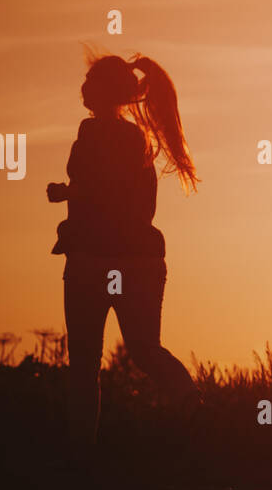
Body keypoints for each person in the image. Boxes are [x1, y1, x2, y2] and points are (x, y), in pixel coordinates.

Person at [47, 52, 199, 447]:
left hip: (94, 261)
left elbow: (102, 190)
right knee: (146, 350)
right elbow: (127, 200)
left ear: (102, 92)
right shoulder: (139, 140)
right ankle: (195, 410)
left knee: (83, 364)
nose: (82, 89)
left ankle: (81, 455)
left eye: (89, 82)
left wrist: (67, 191)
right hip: (140, 261)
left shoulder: (93, 133)